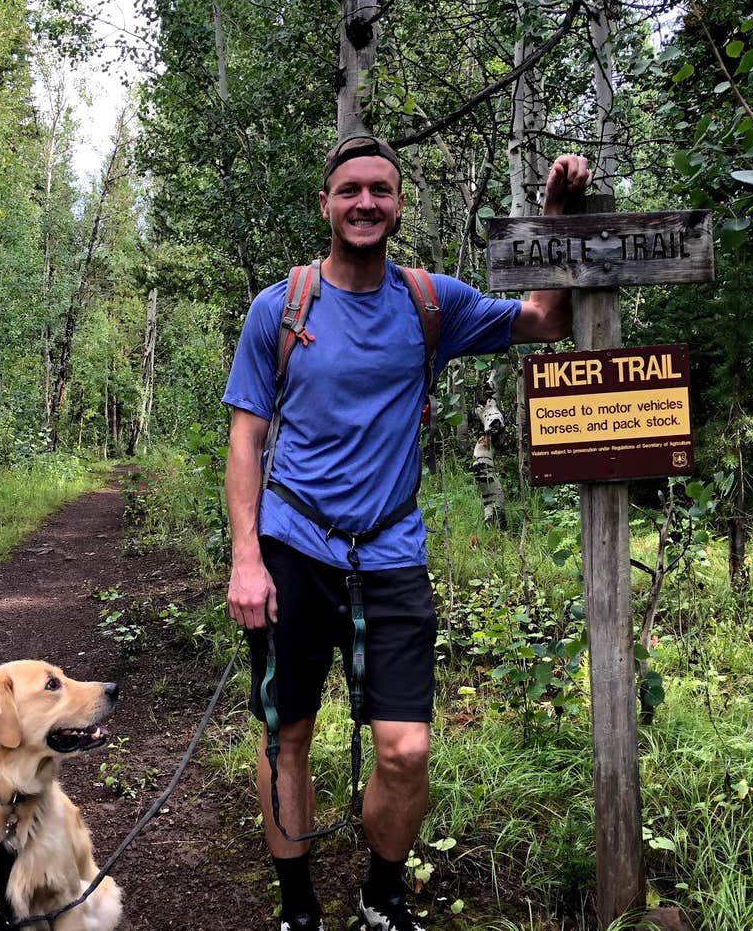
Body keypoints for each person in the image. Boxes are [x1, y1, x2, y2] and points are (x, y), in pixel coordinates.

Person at [222, 134, 588, 931]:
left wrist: (557, 220)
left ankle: (381, 894)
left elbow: (545, 322)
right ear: (324, 203)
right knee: (287, 732)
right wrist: (247, 559)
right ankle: (296, 908)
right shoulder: (282, 307)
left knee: (406, 750)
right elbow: (246, 438)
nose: (364, 203)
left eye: (380, 191)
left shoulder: (431, 302)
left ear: (397, 205)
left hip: (390, 554)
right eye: (349, 189)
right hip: (292, 545)